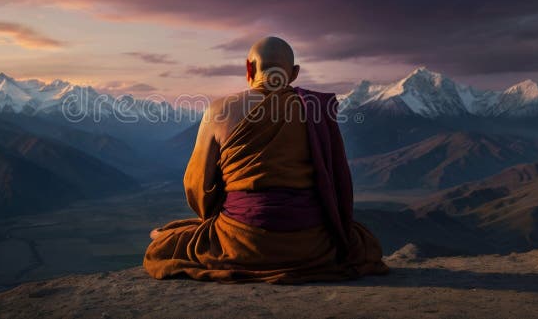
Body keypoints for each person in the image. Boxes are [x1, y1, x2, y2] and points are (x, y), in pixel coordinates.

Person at [143, 36, 388, 283]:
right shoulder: (316, 110)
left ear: (249, 69)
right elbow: (337, 183)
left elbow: (197, 187)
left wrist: (224, 216)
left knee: (165, 243)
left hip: (240, 241)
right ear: (294, 74)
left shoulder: (219, 111)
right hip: (310, 244)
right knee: (363, 241)